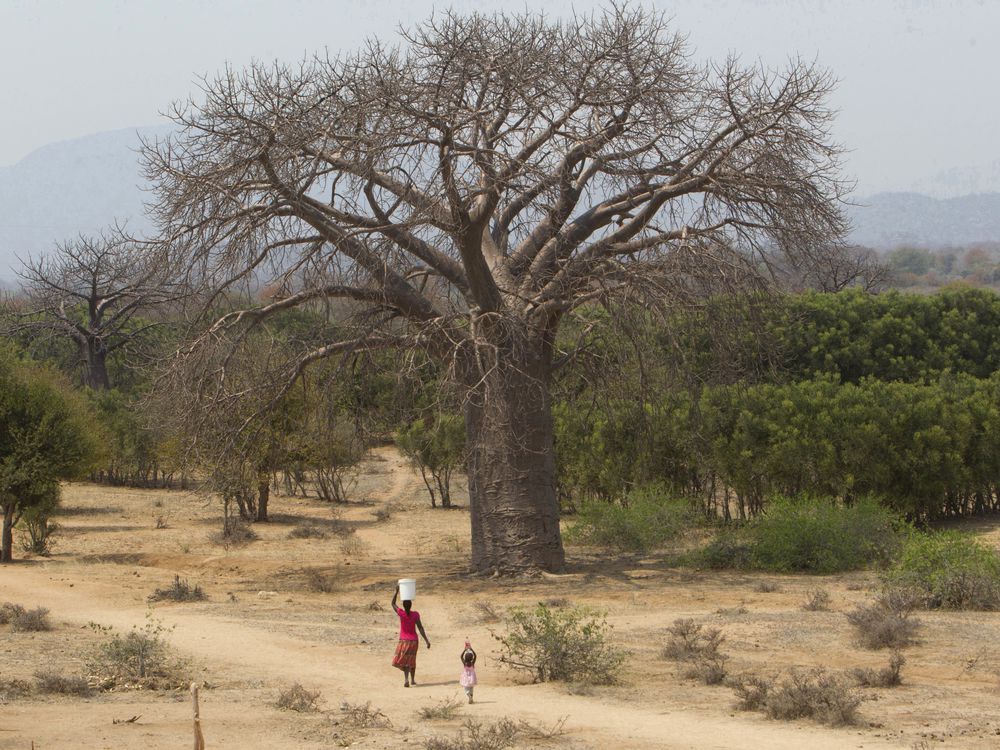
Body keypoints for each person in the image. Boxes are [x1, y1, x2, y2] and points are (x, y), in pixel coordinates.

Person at [391, 583, 430, 687]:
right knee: (412, 660)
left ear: (403, 606)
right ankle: (412, 680)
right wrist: (426, 640)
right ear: (411, 605)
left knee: (405, 661)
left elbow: (393, 604)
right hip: (413, 641)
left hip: (403, 641)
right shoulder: (415, 614)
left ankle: (406, 679)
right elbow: (420, 628)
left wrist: (396, 592)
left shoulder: (401, 613)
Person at [459, 639, 477, 704]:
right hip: (472, 678)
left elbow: (461, 656)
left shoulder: (465, 664)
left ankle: (468, 695)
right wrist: (471, 649)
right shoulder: (472, 663)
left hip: (466, 678)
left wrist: (465, 650)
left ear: (465, 658)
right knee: (471, 688)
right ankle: (471, 697)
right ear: (472, 658)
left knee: (466, 688)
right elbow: (475, 656)